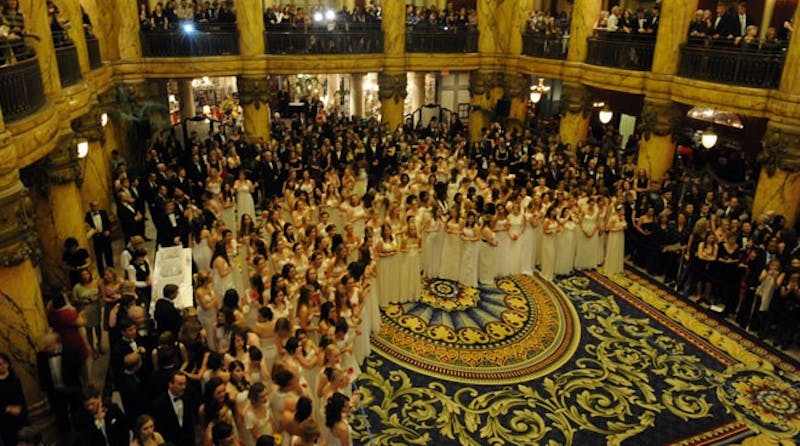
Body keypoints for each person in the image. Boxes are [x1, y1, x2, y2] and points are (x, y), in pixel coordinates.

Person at [37, 333, 85, 434]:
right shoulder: (41, 356)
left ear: (56, 343)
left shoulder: (71, 352)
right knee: (61, 416)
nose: (45, 349)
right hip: (55, 392)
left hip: (71, 388)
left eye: (48, 346)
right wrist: (45, 390)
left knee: (77, 412)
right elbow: (42, 374)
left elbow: (80, 369)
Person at [150, 371, 197, 445]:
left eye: (185, 384)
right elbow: (160, 429)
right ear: (170, 384)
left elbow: (190, 423)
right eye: (180, 384)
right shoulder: (158, 404)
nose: (183, 387)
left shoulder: (188, 396)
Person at [72, 268, 103, 359]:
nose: (85, 276)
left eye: (87, 274)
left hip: (96, 308)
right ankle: (92, 348)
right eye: (83, 275)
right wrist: (83, 301)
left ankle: (99, 344)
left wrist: (96, 297)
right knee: (89, 330)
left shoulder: (96, 282)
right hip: (85, 309)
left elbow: (101, 293)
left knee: (98, 327)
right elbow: (73, 300)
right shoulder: (77, 287)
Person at [0, 352, 28, 446]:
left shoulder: (14, 377)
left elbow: (21, 396)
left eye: (4, 363)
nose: (3, 366)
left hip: (21, 417)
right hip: (5, 421)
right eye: (0, 364)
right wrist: (7, 408)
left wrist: (21, 408)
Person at [85, 201, 114, 277]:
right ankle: (101, 273)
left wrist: (108, 231)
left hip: (105, 236)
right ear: (91, 207)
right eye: (93, 206)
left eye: (96, 206)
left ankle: (111, 271)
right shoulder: (87, 216)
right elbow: (87, 227)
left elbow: (108, 223)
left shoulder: (103, 212)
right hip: (96, 238)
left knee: (109, 254)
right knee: (99, 257)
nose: (95, 208)